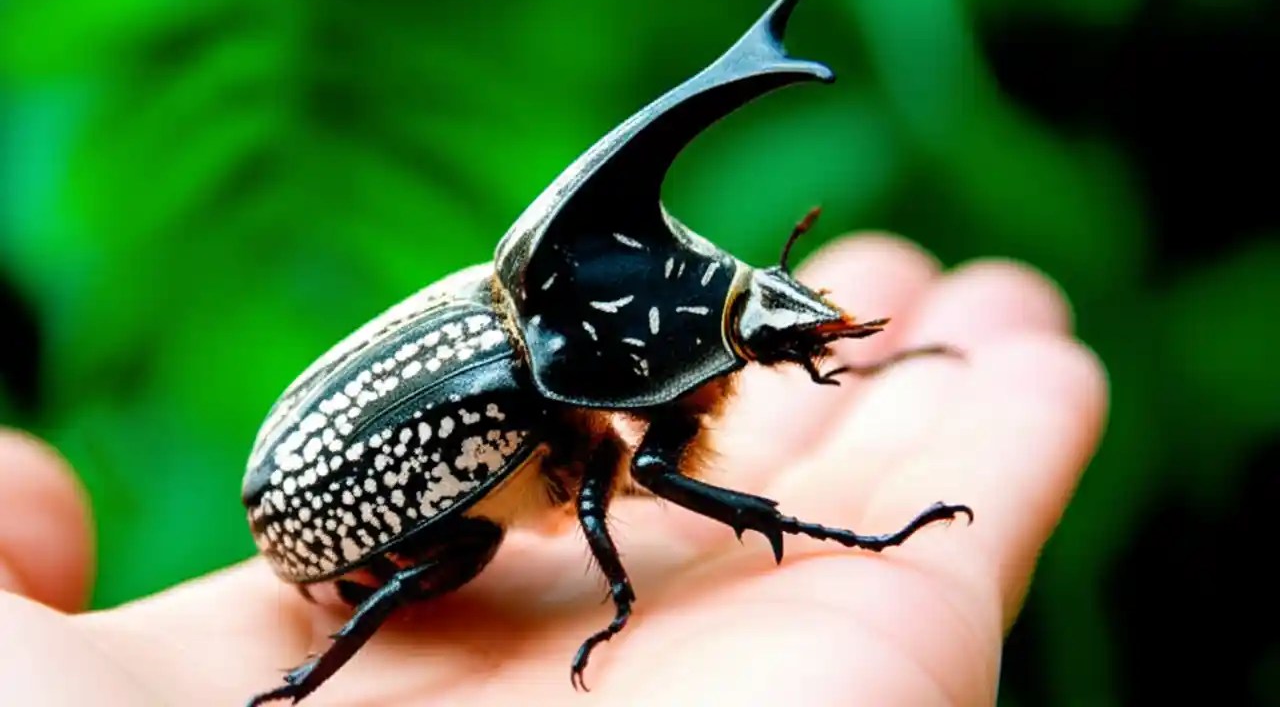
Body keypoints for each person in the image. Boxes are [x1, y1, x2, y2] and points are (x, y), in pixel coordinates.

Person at [0, 233, 1106, 706]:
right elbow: (618, 486)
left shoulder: (576, 337)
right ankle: (293, 688)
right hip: (328, 522)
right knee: (443, 555)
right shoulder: (536, 387)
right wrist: (835, 538)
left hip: (336, 463)